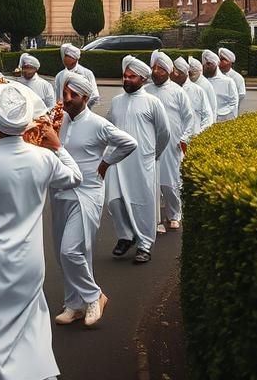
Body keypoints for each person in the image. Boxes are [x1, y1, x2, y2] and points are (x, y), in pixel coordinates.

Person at [0, 84, 82, 380]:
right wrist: (58, 146)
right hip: (30, 258)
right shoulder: (43, 158)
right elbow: (75, 177)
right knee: (31, 319)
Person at [51, 73, 137, 329]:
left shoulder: (98, 124)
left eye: (73, 96)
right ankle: (74, 304)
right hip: (58, 192)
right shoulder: (59, 120)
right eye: (65, 94)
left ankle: (94, 296)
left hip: (86, 192)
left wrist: (105, 163)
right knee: (62, 253)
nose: (67, 100)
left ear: (85, 98)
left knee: (71, 250)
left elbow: (128, 143)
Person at [103, 55, 171, 263]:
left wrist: (153, 154)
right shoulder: (116, 102)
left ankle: (144, 244)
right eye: (125, 76)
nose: (127, 80)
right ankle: (126, 237)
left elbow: (164, 132)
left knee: (143, 202)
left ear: (142, 79)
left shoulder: (153, 103)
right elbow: (107, 128)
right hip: (118, 161)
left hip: (143, 161)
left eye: (132, 76)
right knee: (114, 201)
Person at [146, 51, 196, 232]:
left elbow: (189, 118)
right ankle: (155, 219)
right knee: (152, 182)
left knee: (169, 181)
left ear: (168, 71)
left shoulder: (178, 92)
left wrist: (183, 138)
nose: (156, 71)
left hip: (172, 144)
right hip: (150, 143)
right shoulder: (146, 91)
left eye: (160, 68)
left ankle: (174, 214)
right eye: (154, 68)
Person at [173, 58, 214, 142]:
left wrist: (199, 134)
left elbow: (207, 115)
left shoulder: (197, 90)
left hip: (194, 139)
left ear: (178, 73)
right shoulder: (170, 90)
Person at [202, 50, 239, 122]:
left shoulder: (228, 81)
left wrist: (218, 114)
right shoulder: (202, 82)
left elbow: (234, 103)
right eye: (204, 64)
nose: (206, 66)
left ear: (216, 64)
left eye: (209, 63)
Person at [217, 48, 247, 114]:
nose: (219, 62)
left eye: (223, 60)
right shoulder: (214, 74)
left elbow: (241, 94)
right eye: (219, 59)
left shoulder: (237, 77)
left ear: (230, 62)